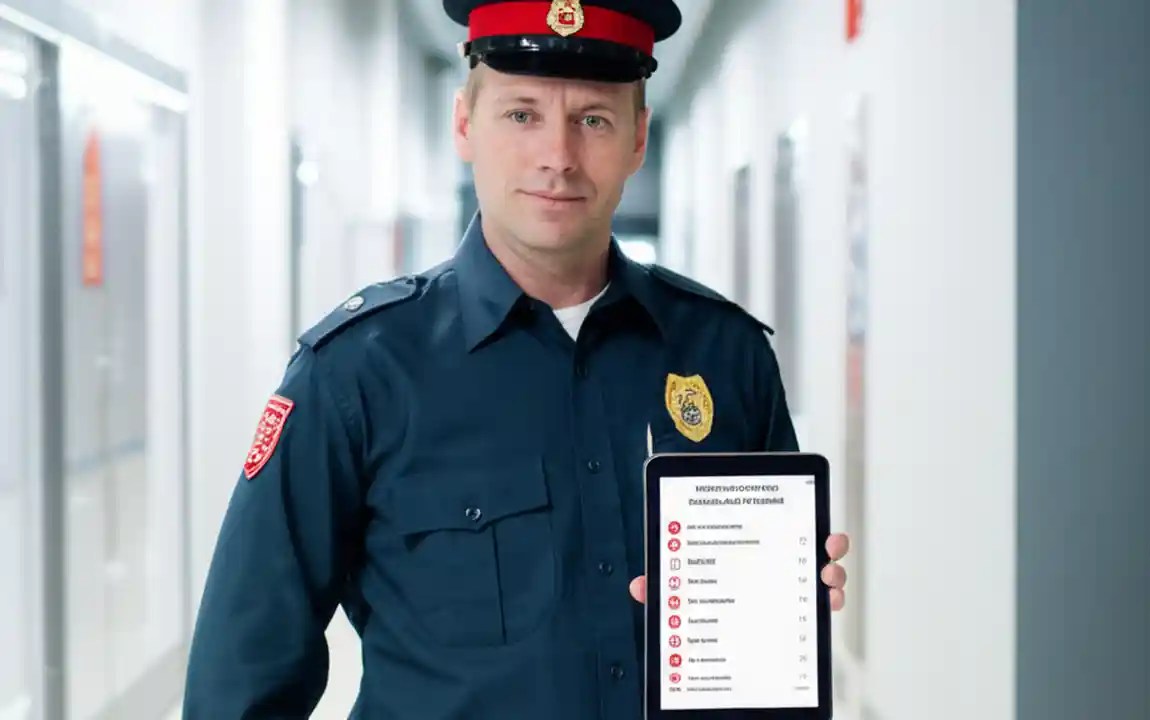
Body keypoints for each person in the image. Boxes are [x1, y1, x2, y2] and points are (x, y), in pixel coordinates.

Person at [182, 1, 850, 717]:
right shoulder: (356, 374)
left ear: (637, 138)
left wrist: (782, 608)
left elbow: (768, 676)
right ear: (466, 124)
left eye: (593, 119)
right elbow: (240, 680)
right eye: (522, 114)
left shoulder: (725, 353)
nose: (557, 157)